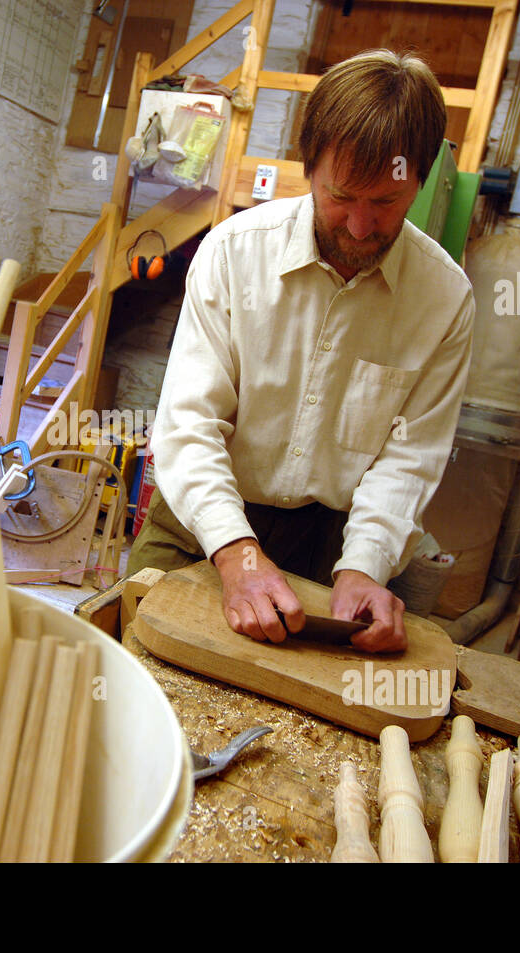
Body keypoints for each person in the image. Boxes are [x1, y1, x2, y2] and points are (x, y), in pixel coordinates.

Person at [129, 49, 475, 653]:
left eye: (388, 203)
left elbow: (410, 457)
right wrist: (237, 555)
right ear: (308, 165)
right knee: (127, 665)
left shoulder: (444, 298)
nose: (361, 227)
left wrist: (365, 564)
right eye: (341, 196)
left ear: (419, 180)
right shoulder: (234, 253)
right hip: (201, 522)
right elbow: (189, 426)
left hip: (328, 545)